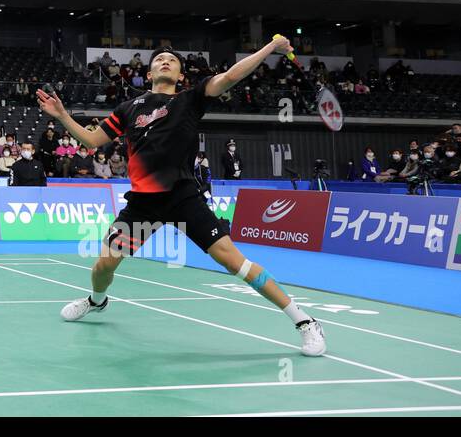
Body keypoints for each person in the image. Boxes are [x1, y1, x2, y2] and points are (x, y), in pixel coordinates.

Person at [39, 39, 326, 356]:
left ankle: (305, 322)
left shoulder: (191, 99)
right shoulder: (128, 109)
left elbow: (230, 76)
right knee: (103, 266)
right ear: (148, 73)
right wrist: (63, 116)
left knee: (234, 261)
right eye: (159, 59)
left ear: (180, 75)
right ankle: (96, 301)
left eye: (171, 60)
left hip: (183, 197)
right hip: (142, 204)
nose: (164, 61)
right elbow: (93, 140)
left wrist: (268, 49)